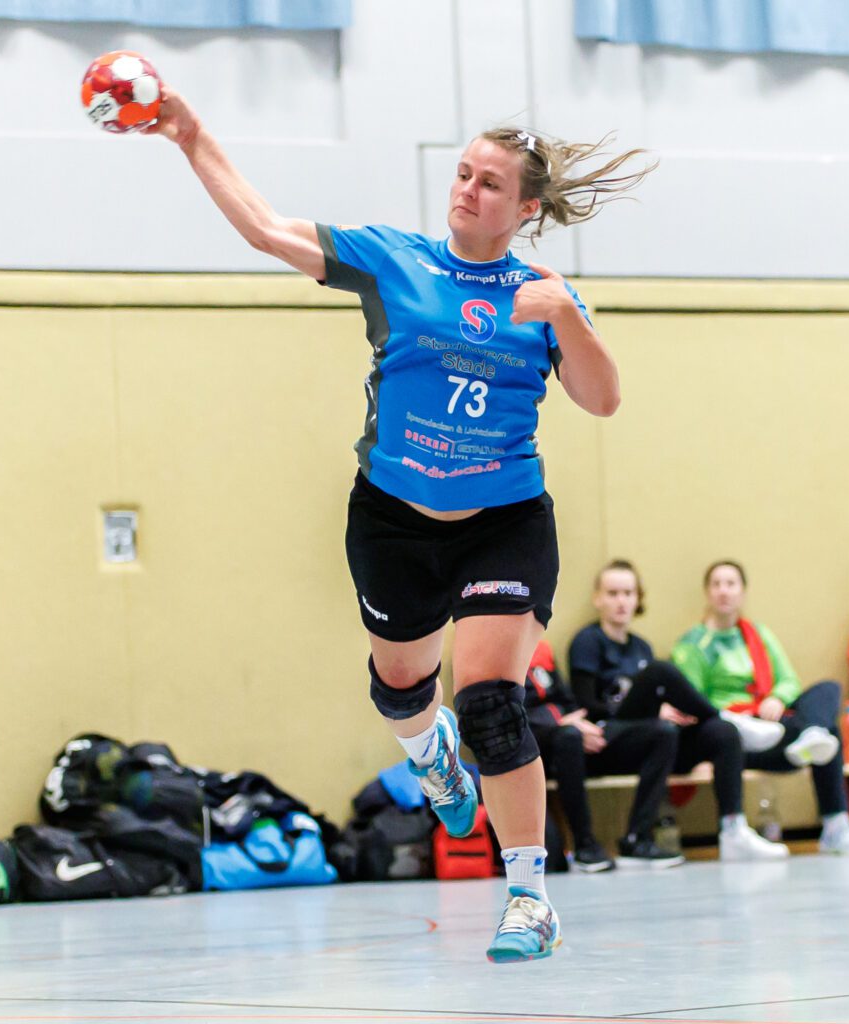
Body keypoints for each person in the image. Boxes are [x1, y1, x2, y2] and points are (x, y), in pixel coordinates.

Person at [148, 86, 652, 963]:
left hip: (503, 519)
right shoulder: (394, 260)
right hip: (391, 518)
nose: (467, 190)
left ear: (527, 207)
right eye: (462, 174)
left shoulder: (544, 295)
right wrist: (189, 135)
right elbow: (269, 230)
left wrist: (569, 316)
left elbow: (603, 401)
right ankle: (431, 755)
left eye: (490, 184)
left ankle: (529, 895)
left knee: (493, 703)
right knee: (400, 688)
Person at [565, 560, 789, 862]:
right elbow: (587, 705)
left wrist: (666, 710)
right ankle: (721, 713)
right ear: (598, 598)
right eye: (613, 593)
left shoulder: (640, 646)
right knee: (659, 672)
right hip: (605, 737)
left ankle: (732, 830)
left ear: (638, 598)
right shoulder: (588, 642)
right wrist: (653, 707)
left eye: (628, 593)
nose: (621, 601)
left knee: (721, 734)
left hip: (648, 738)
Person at [673, 560, 849, 854]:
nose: (724, 591)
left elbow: (788, 680)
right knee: (825, 733)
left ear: (743, 592)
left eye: (731, 584)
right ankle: (827, 810)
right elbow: (693, 701)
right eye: (717, 584)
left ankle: (835, 824)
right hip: (734, 741)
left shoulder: (758, 635)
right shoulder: (693, 644)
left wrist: (777, 699)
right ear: (707, 592)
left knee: (827, 694)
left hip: (771, 729)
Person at [523, 640, 685, 871]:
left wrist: (580, 723)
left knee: (662, 733)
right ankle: (584, 845)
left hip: (570, 733)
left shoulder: (540, 647)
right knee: (569, 737)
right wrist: (560, 723)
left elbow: (566, 700)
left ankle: (637, 839)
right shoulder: (487, 648)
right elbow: (501, 712)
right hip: (534, 745)